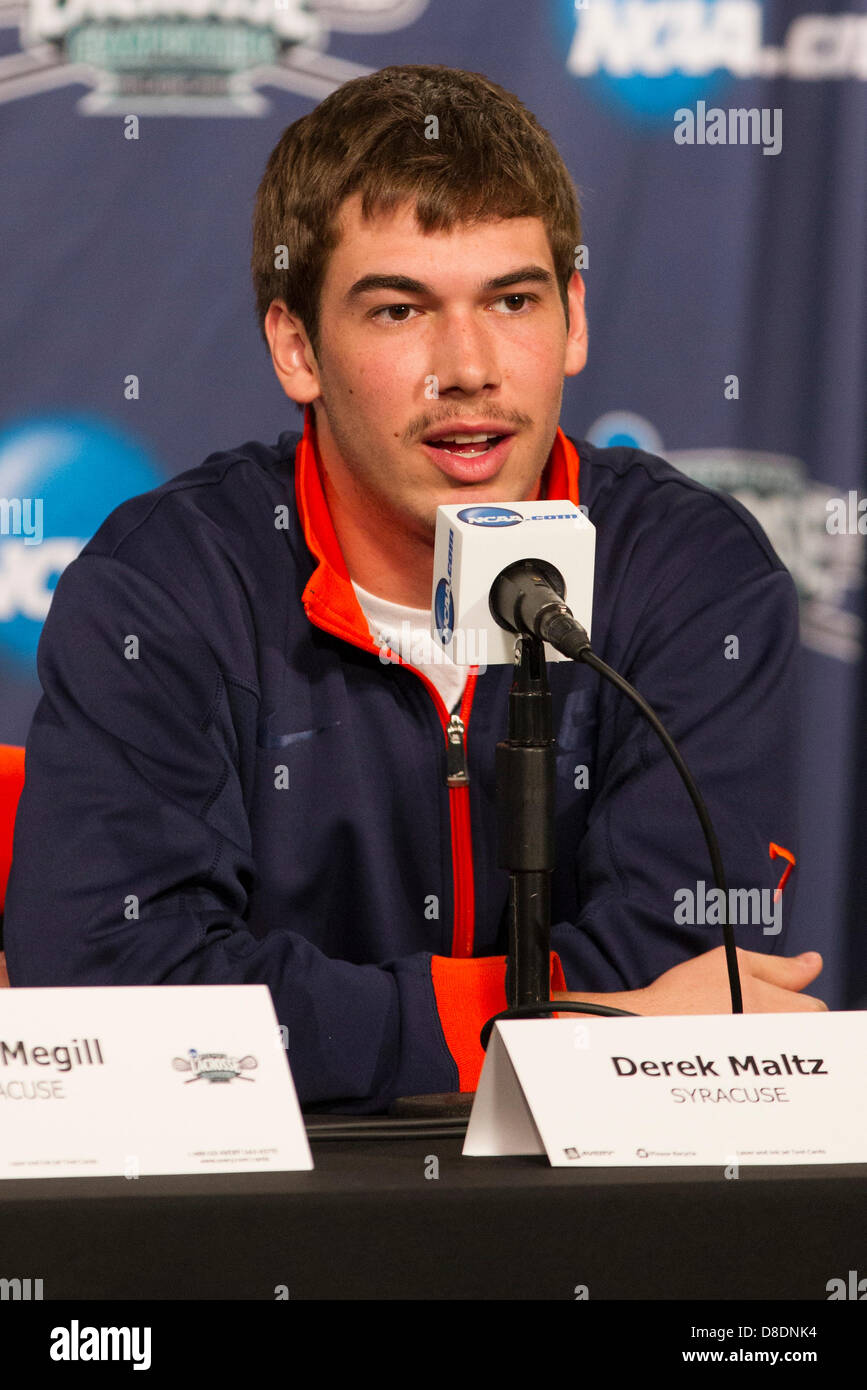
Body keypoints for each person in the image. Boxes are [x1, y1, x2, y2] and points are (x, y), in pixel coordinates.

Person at [3, 65, 825, 1113]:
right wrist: (545, 1032)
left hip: (600, 1228)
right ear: (296, 346)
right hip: (255, 1229)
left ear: (573, 319)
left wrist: (332, 1029)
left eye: (513, 300)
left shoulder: (694, 574)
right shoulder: (163, 586)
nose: (470, 366)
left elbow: (687, 959)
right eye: (400, 310)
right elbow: (113, 992)